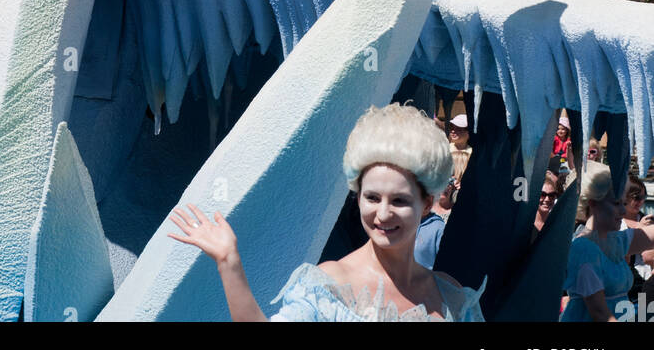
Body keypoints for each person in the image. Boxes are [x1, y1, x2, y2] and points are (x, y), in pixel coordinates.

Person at [168, 102, 486, 322]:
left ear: (427, 204)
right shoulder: (329, 285)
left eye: (400, 201)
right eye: (372, 197)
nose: (383, 214)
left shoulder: (451, 295)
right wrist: (229, 263)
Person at [561, 164, 654, 322]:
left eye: (623, 203)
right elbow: (600, 313)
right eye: (616, 203)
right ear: (593, 204)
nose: (623, 211)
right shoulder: (583, 248)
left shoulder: (616, 240)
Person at [533, 171, 564, 236]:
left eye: (551, 195)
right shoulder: (525, 224)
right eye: (542, 194)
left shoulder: (557, 224)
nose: (547, 199)